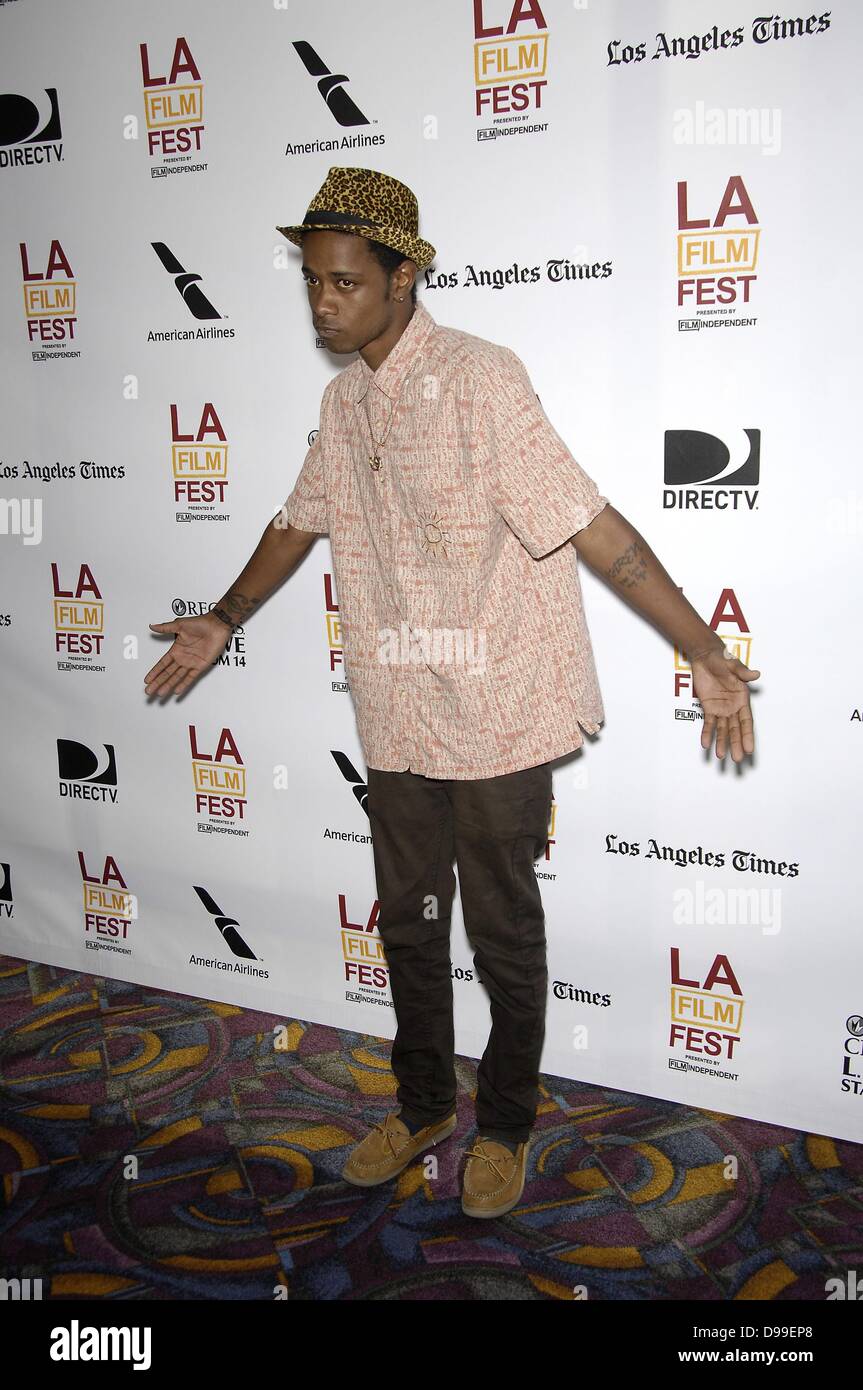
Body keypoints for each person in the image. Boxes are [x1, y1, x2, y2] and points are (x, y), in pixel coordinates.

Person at [144, 166, 760, 1220]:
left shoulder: (482, 380)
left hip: (500, 710)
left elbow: (593, 527)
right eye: (310, 282)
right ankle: (423, 1103)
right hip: (395, 712)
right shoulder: (340, 405)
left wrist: (700, 648)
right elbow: (298, 519)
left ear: (402, 275)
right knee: (409, 925)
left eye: (342, 282)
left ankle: (507, 1123)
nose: (320, 302)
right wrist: (224, 615)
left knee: (504, 935)